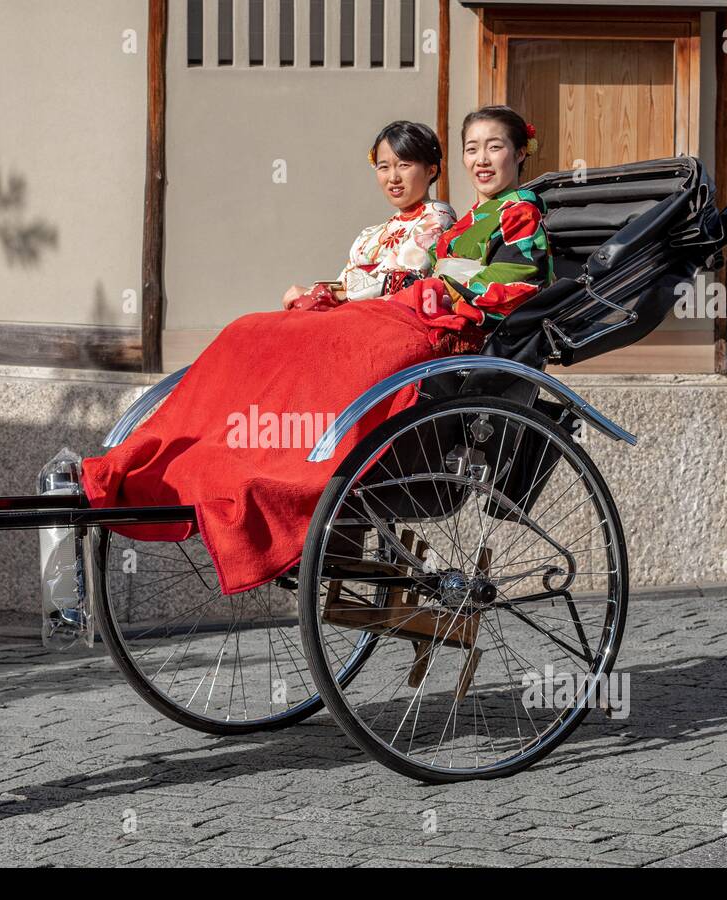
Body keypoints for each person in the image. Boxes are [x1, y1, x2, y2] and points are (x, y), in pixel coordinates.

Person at [81, 106, 553, 596]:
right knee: (253, 331)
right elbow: (398, 280)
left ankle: (297, 470)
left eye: (494, 147)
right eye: (472, 149)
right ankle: (213, 451)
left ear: (520, 152)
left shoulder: (515, 214)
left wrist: (437, 293)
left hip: (444, 332)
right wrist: (331, 294)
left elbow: (510, 284)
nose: (481, 159)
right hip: (409, 313)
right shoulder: (473, 217)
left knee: (330, 347)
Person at [281, 120, 455, 310]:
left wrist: (320, 293)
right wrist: (313, 294)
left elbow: (403, 280)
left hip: (395, 317)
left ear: (431, 170)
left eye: (404, 165)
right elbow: (342, 283)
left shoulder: (438, 215)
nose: (393, 178)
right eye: (383, 167)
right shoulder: (369, 234)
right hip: (358, 313)